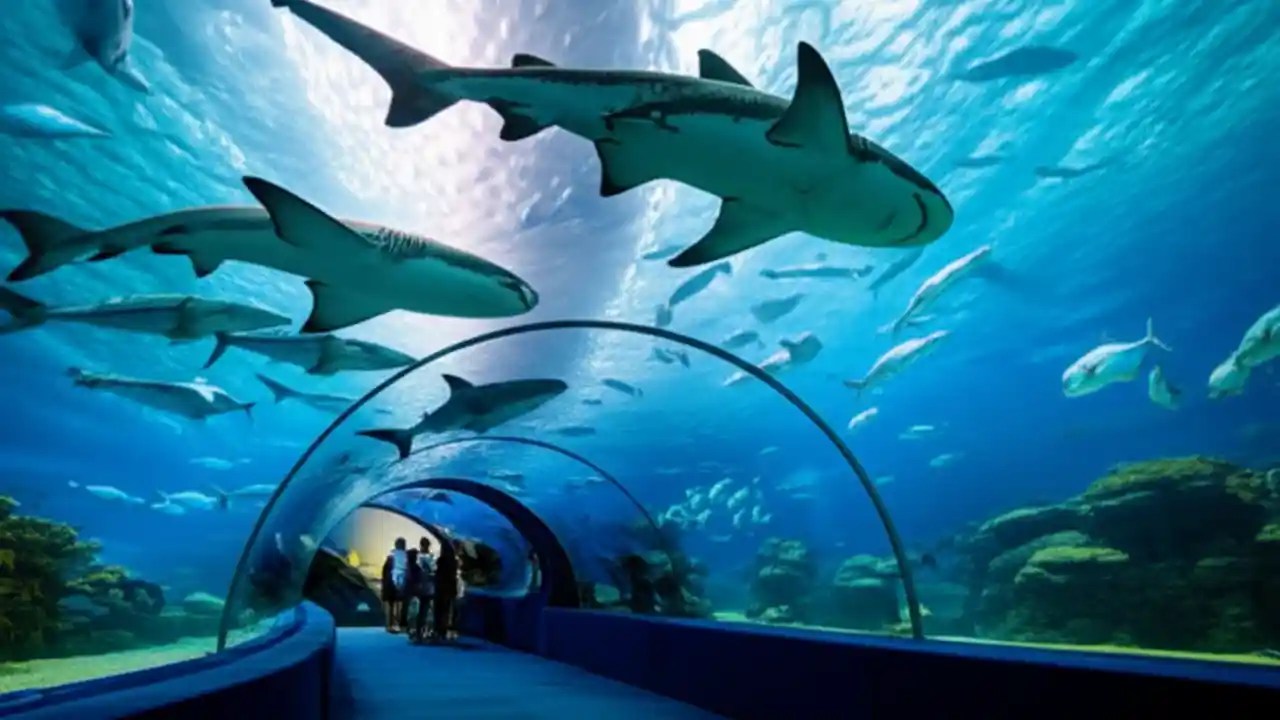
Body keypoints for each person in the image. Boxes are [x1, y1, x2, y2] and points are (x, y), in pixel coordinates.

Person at [407, 537, 436, 642]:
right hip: (427, 587)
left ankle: (415, 631)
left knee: (417, 611)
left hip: (419, 588)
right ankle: (420, 631)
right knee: (424, 611)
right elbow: (434, 571)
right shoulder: (431, 557)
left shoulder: (417, 558)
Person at [433, 537, 459, 641]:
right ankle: (445, 630)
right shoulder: (454, 562)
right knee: (447, 610)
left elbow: (437, 574)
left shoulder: (440, 561)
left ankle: (439, 630)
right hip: (450, 589)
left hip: (440, 589)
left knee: (439, 610)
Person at [380, 537, 408, 633]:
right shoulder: (406, 557)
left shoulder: (391, 556)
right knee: (400, 605)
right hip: (403, 583)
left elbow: (385, 572)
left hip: (390, 583)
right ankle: (400, 625)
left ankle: (389, 625)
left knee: (390, 605)